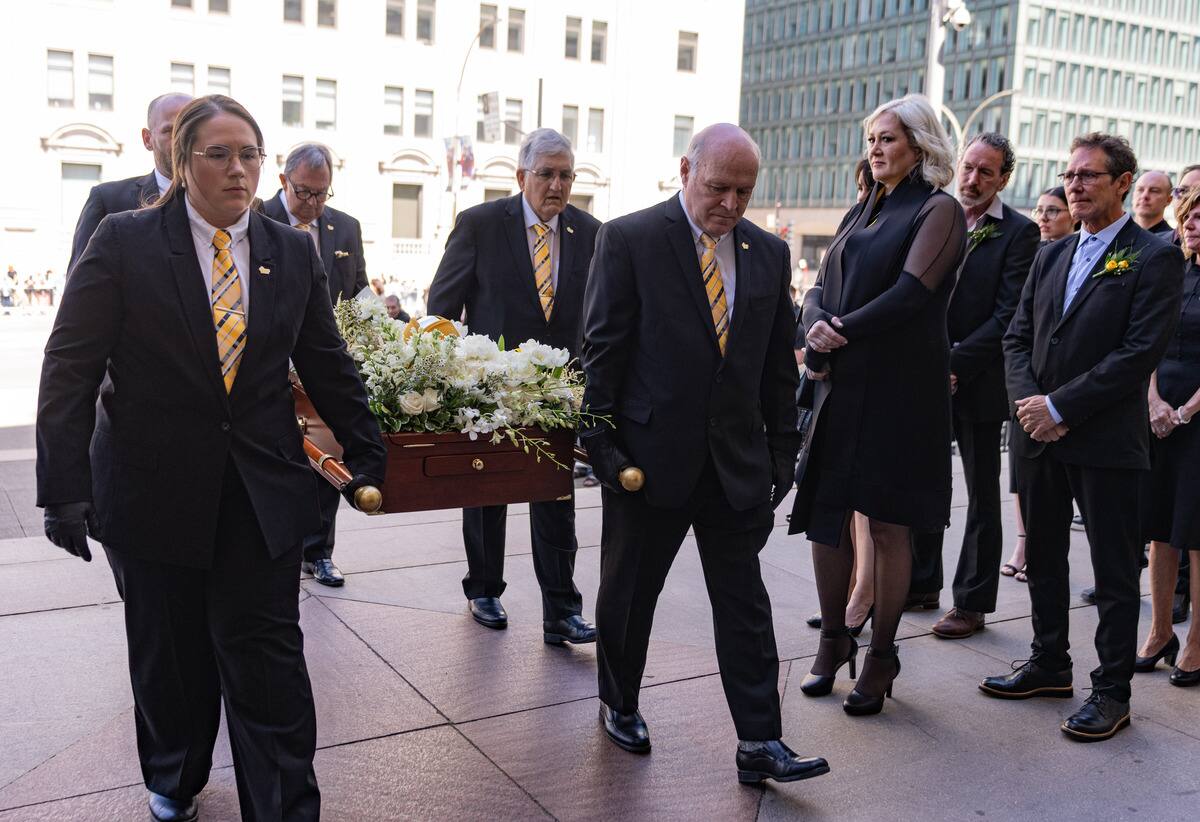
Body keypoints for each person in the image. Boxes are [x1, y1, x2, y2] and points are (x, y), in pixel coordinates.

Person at [35, 95, 387, 821]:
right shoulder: (123, 241)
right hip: (149, 492)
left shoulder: (290, 250)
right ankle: (176, 774)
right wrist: (61, 489)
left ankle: (285, 805)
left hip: (258, 494)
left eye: (250, 154)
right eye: (218, 154)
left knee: (269, 662)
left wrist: (370, 452)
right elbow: (70, 368)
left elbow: (324, 358)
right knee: (173, 658)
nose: (238, 169)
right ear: (179, 161)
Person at [581, 123, 828, 784]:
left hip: (735, 464)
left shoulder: (768, 255)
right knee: (630, 593)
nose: (731, 203)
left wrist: (783, 458)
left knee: (745, 603)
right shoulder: (629, 238)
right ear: (686, 170)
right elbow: (603, 349)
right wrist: (599, 443)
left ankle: (760, 741)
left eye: (744, 191)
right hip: (647, 459)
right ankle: (620, 701)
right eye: (719, 187)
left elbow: (778, 368)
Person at [981, 133, 1183, 742]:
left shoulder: (1153, 256)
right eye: (1070, 175)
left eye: (1090, 176)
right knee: (1042, 555)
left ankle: (1112, 691)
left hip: (1104, 438)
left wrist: (1063, 405)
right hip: (1038, 434)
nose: (1075, 185)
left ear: (1124, 183)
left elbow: (1138, 351)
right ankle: (1049, 662)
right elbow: (1017, 337)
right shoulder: (1051, 253)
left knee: (1114, 571)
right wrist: (1030, 406)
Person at [791, 94, 966, 715]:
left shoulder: (939, 210)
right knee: (828, 513)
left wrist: (839, 329)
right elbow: (817, 287)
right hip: (842, 383)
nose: (876, 149)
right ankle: (835, 637)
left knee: (888, 524)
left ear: (920, 145)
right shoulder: (861, 208)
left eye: (888, 138)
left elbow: (912, 294)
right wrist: (812, 325)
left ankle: (883, 653)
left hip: (900, 390)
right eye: (871, 139)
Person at [427, 128, 600, 644]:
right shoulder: (480, 225)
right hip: (490, 389)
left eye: (566, 175)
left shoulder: (591, 233)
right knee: (486, 492)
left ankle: (561, 611)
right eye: (546, 173)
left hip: (558, 393)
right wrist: (453, 379)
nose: (557, 184)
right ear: (521, 175)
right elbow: (441, 309)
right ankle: (483, 589)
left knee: (555, 496)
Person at [908, 133, 1039, 639]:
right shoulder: (934, 214)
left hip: (981, 382)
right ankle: (920, 583)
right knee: (919, 479)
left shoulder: (1018, 234)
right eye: (969, 167)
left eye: (987, 172)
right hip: (923, 375)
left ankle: (972, 601)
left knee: (982, 493)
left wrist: (955, 361)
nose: (973, 179)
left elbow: (1009, 314)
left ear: (1003, 178)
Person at [262, 142, 369, 587]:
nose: (312, 204)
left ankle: (319, 551)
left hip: (323, 360)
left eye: (322, 194)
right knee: (281, 456)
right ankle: (279, 546)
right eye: (304, 192)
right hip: (270, 362)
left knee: (329, 452)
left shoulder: (345, 228)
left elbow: (359, 288)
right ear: (284, 181)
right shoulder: (255, 217)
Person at [1134, 188, 1200, 687]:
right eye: (1190, 215)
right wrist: (1155, 402)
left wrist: (1184, 412)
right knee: (1158, 528)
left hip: (1196, 416)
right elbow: (1149, 340)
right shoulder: (1174, 271)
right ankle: (1159, 632)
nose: (1193, 223)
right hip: (1160, 410)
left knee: (1196, 534)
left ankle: (1197, 641)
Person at [1003, 185, 1079, 582]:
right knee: (1021, 475)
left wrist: (1055, 406)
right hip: (1028, 398)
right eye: (1040, 210)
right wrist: (1030, 401)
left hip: (1074, 406)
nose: (1044, 218)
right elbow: (1017, 332)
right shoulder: (1040, 257)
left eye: (1054, 211)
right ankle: (1023, 542)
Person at [68, 93, 192, 273]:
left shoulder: (226, 204)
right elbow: (80, 289)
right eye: (170, 131)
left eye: (190, 130)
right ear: (147, 139)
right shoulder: (108, 201)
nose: (182, 140)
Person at [1131, 170, 1174, 236]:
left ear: (1168, 200)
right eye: (1140, 190)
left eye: (1154, 191)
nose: (1144, 196)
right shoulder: (1117, 233)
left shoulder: (1173, 242)